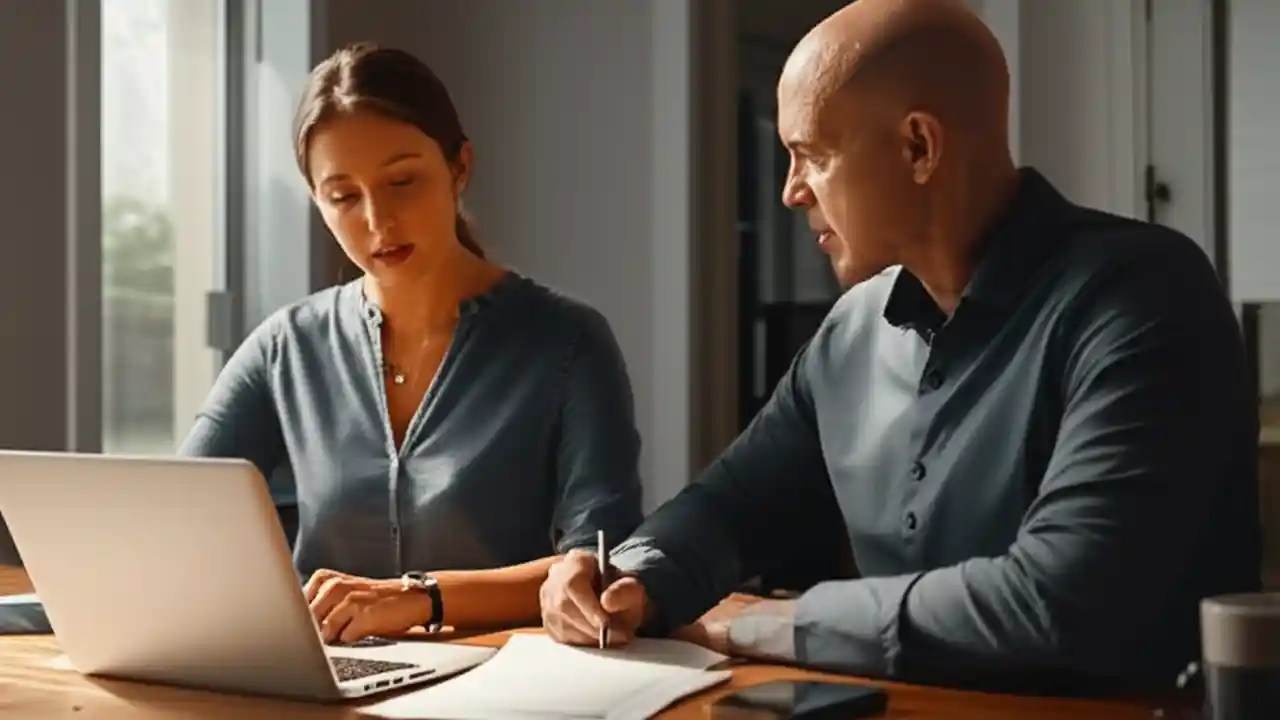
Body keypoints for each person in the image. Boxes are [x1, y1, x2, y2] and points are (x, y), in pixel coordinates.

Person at [539, 0, 1260, 693]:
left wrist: (758, 625)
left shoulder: (1144, 298)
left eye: (809, 155)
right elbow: (730, 506)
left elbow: (1062, 600)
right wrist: (628, 576)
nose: (791, 191)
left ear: (919, 147)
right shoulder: (851, 332)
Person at [181, 42, 643, 644]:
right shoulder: (285, 348)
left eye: (403, 181)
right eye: (343, 196)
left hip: (502, 684)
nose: (378, 220)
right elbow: (177, 520)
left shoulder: (568, 344)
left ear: (460, 168)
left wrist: (418, 599)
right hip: (320, 684)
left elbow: (601, 566)